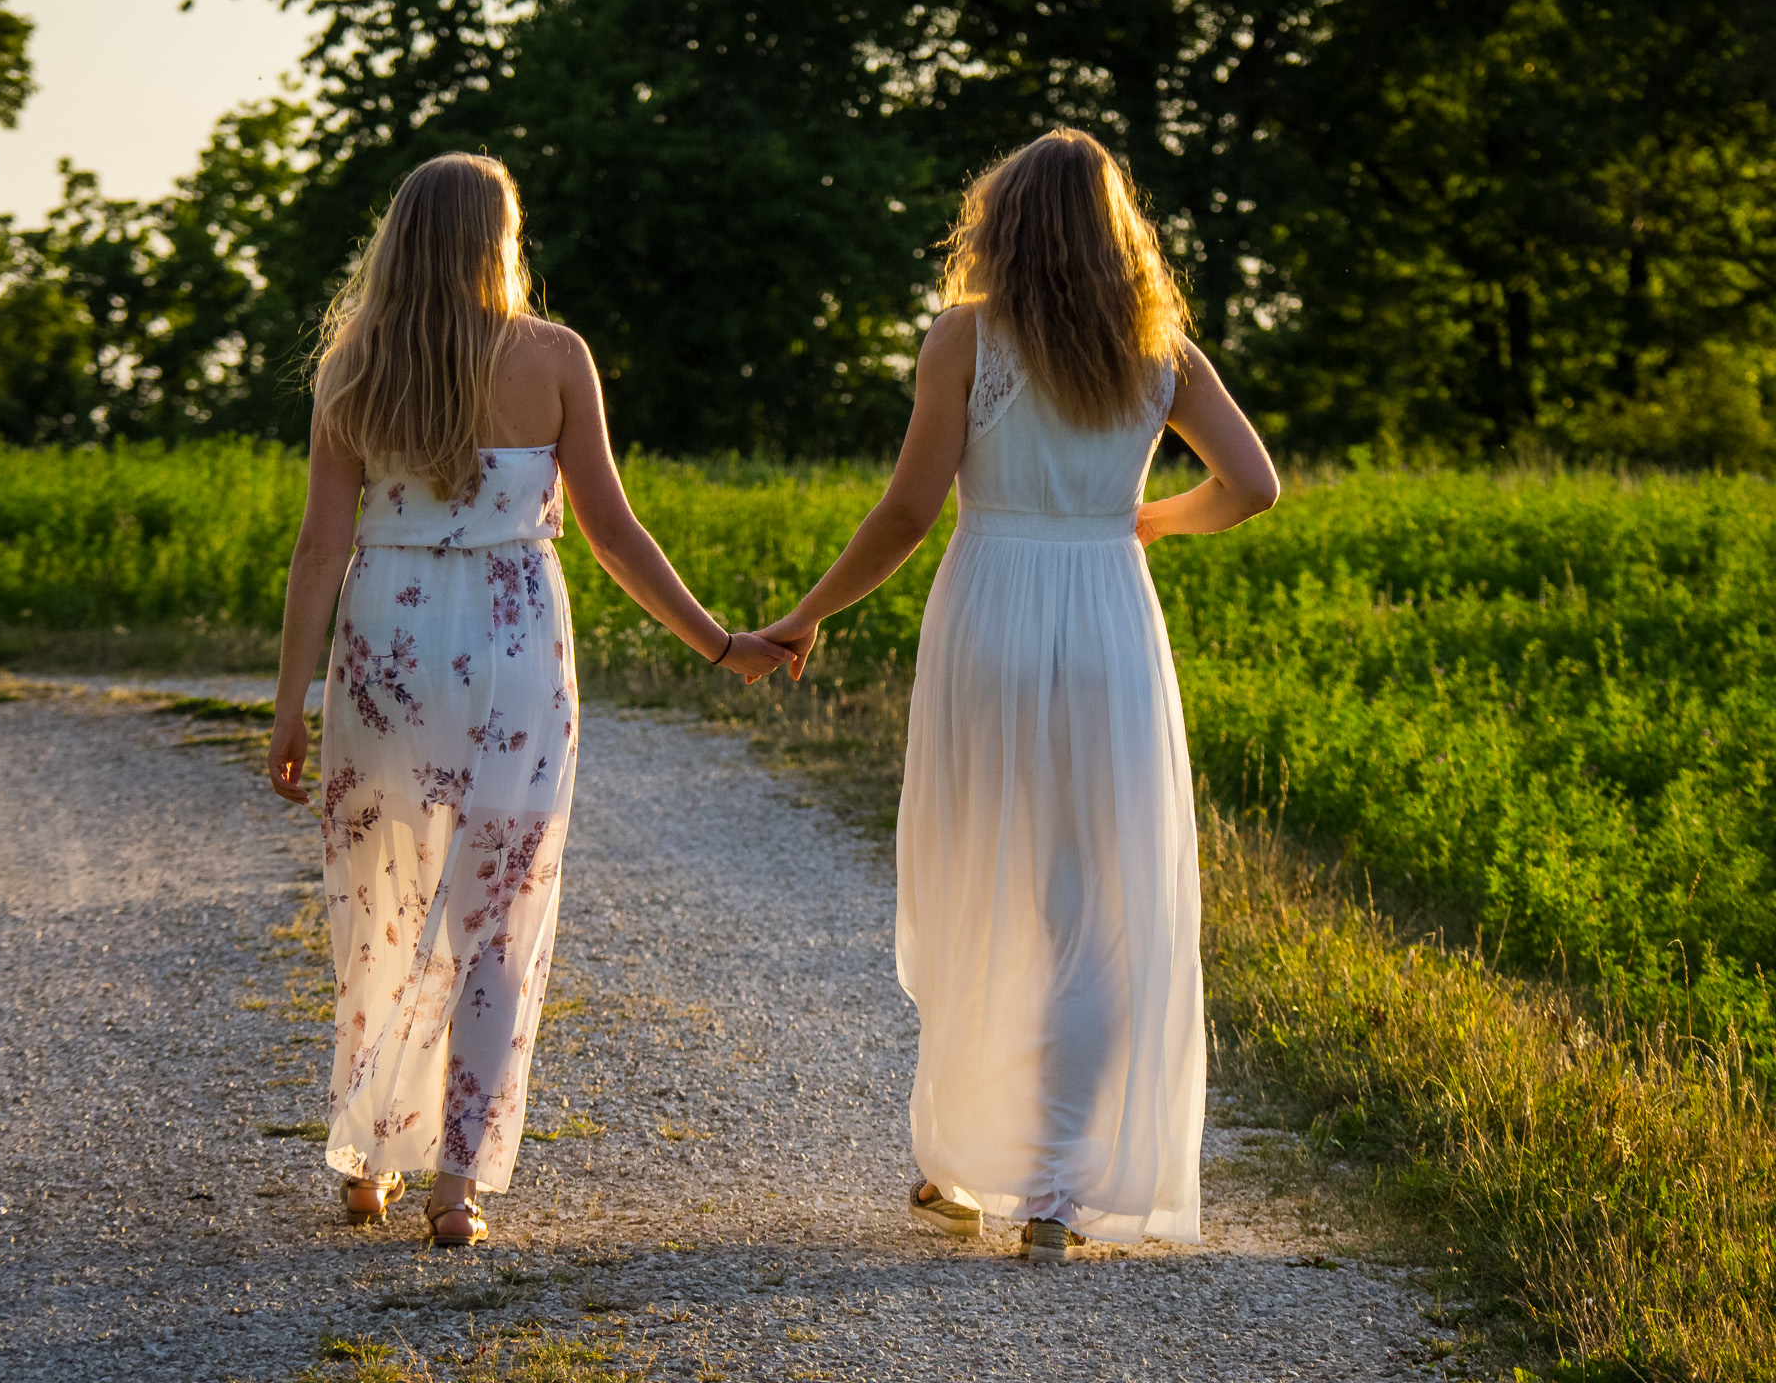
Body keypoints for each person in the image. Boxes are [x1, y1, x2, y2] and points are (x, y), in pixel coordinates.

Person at [759, 129, 1278, 1261]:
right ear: (1115, 230)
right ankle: (1054, 1195)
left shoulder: (965, 337)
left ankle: (962, 1164)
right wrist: (1145, 519)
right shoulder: (1160, 350)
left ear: (998, 225)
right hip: (1107, 614)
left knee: (977, 883)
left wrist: (805, 613)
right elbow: (1251, 486)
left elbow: (905, 512)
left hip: (989, 608)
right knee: (1096, 905)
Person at [265, 153, 790, 1246]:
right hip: (512, 648)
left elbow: (319, 547)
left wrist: (287, 706)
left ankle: (368, 1156)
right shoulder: (553, 357)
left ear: (399, 238)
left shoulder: (353, 366)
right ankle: (456, 1183)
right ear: (497, 240)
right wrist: (719, 643)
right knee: (499, 910)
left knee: (382, 899)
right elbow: (612, 531)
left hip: (387, 645)